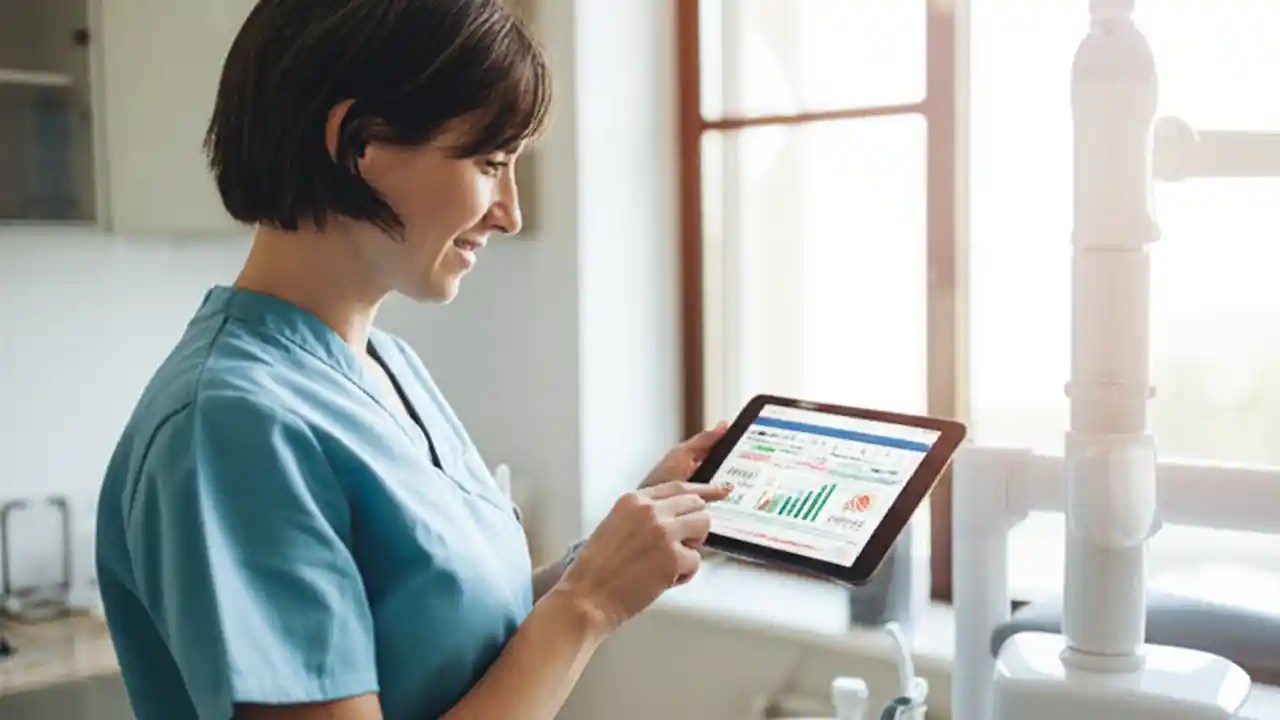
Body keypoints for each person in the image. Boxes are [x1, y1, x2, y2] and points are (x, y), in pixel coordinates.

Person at [93, 1, 730, 718]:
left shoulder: (387, 366)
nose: (510, 211)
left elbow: (460, 642)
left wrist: (615, 550)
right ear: (357, 142)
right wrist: (589, 604)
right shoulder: (229, 425)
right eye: (491, 164)